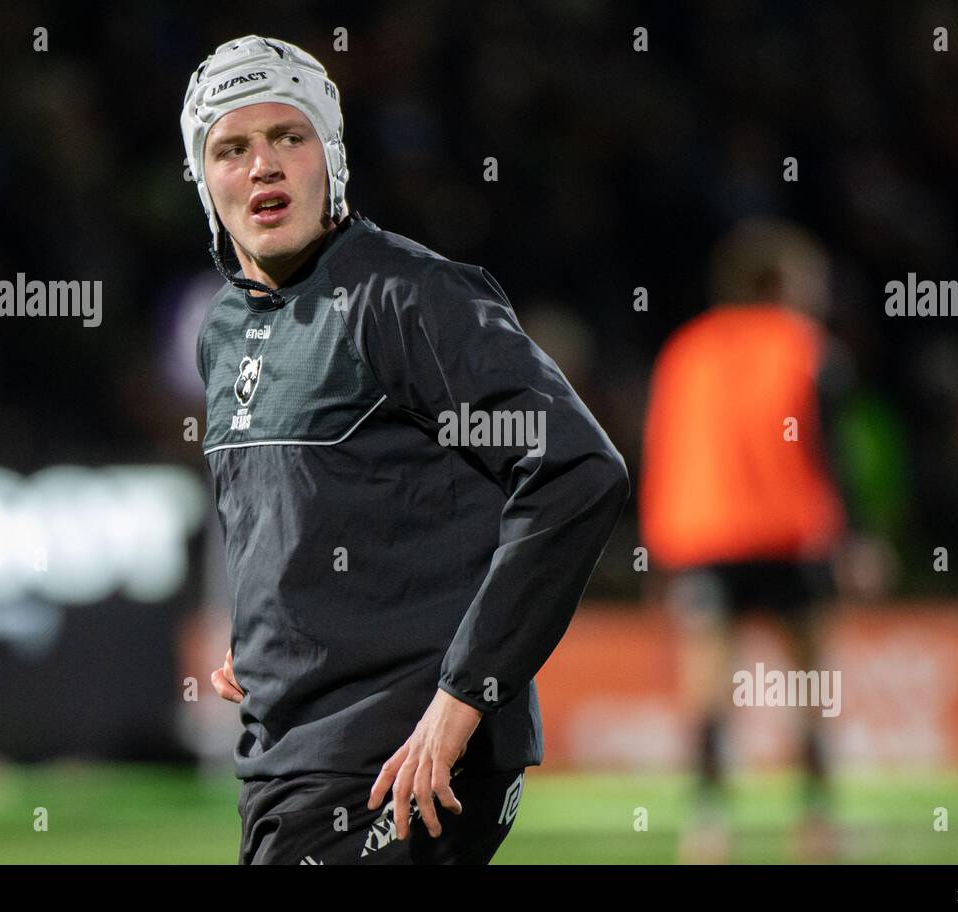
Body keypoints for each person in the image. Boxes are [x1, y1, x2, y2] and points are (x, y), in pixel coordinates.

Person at [181, 35, 629, 864]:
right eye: (231, 148)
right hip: (288, 752)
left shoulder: (408, 295)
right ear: (203, 180)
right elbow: (301, 505)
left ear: (333, 158)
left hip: (401, 755)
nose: (263, 166)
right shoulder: (223, 329)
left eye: (290, 136)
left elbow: (575, 470)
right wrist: (272, 623)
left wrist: (463, 700)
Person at [640, 217, 874, 863]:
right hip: (791, 535)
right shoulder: (808, 346)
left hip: (703, 538)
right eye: (809, 279)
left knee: (707, 689)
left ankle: (707, 826)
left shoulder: (685, 349)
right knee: (809, 683)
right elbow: (833, 451)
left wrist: (659, 547)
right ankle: (819, 823)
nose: (819, 292)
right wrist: (857, 536)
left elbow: (663, 450)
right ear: (777, 282)